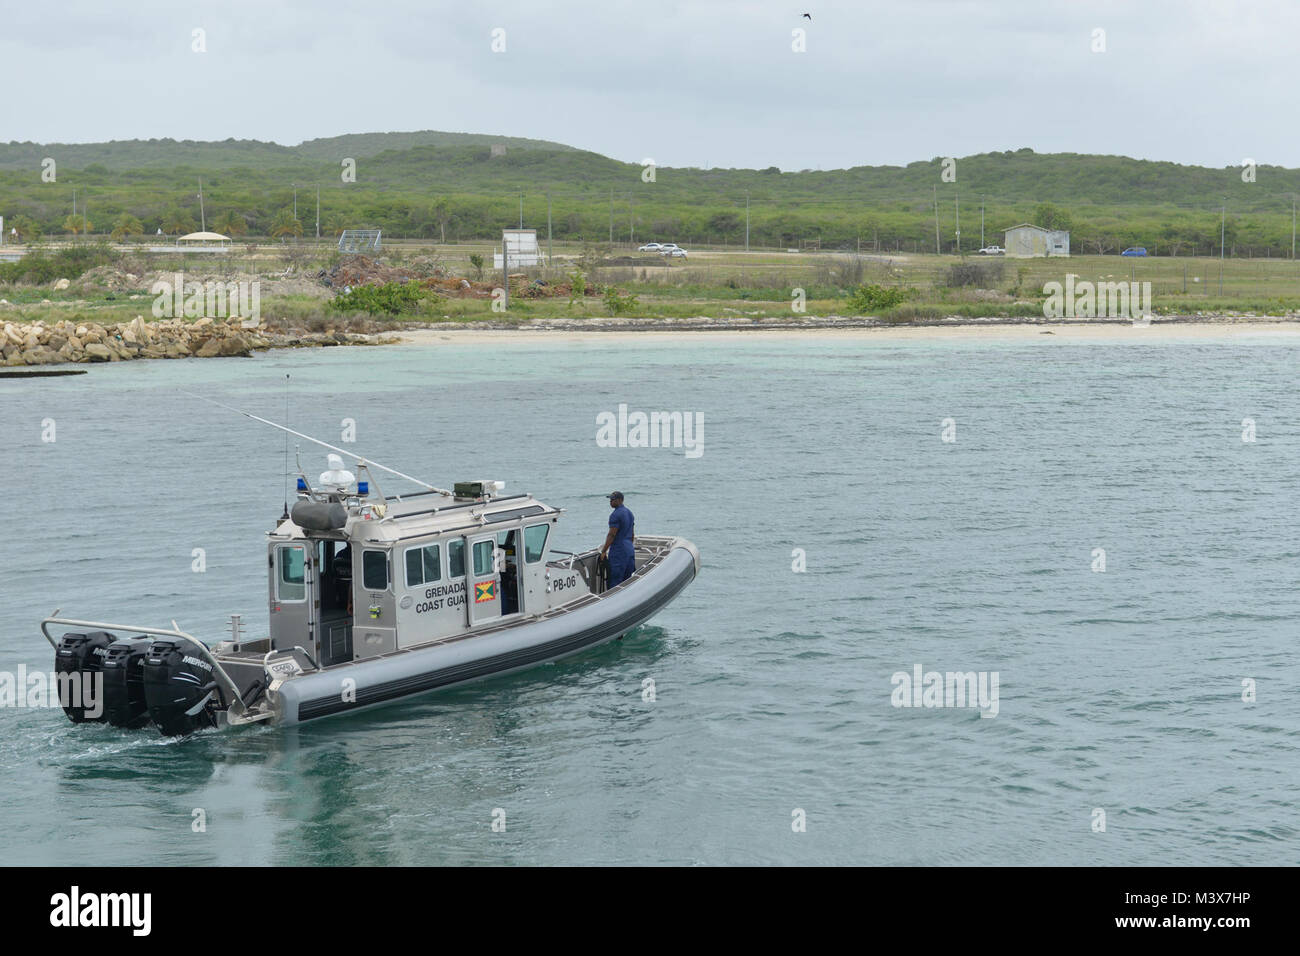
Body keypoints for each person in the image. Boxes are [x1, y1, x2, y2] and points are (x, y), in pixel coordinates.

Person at [600, 491, 636, 589]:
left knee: (615, 581)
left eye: (613, 499)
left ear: (620, 500)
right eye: (610, 499)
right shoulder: (630, 513)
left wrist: (603, 551)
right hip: (629, 549)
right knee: (627, 580)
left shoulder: (615, 515)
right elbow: (632, 534)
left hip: (619, 550)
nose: (610, 502)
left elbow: (612, 535)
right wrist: (629, 547)